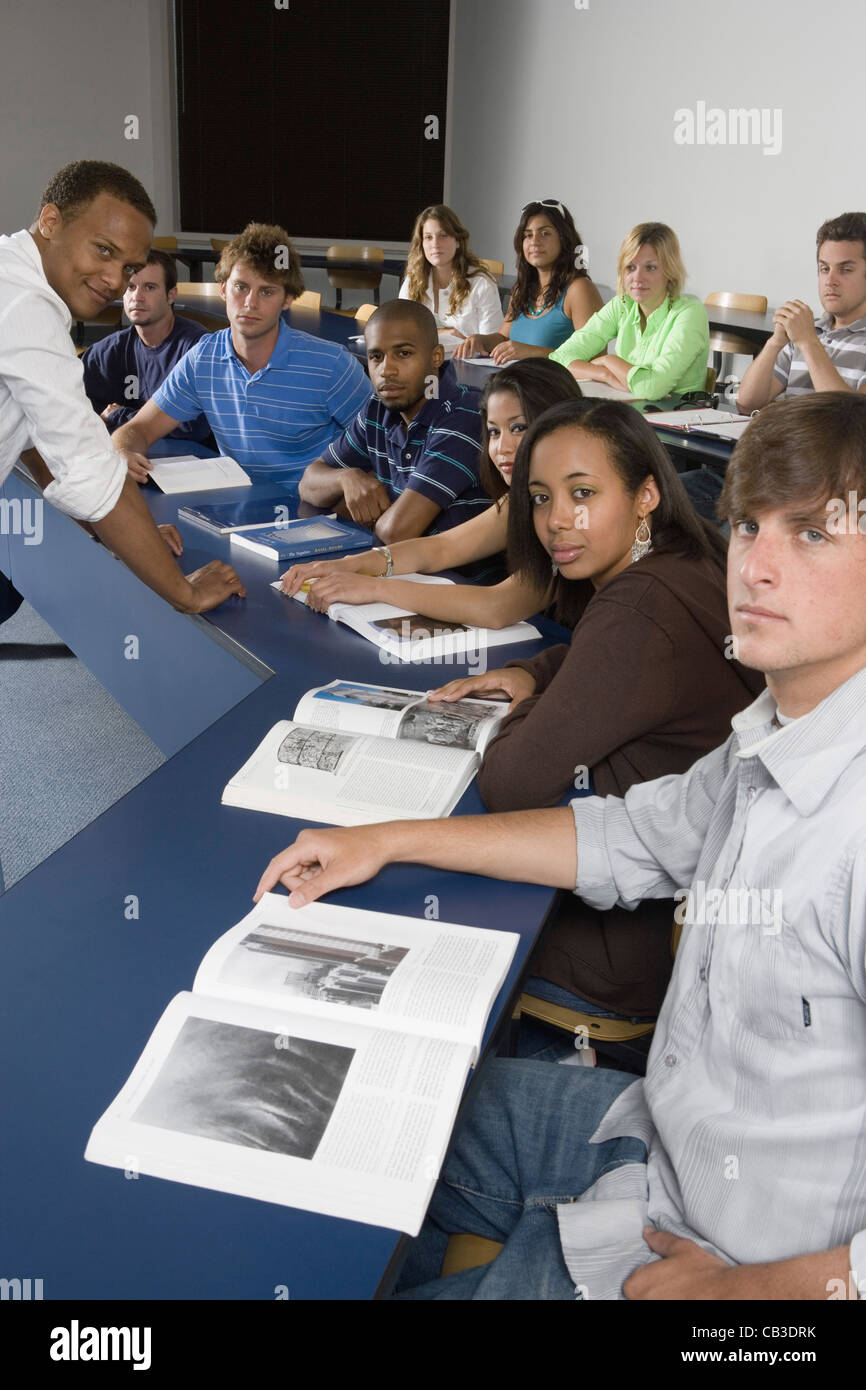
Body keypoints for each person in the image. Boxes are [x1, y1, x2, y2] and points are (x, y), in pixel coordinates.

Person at [256, 392, 866, 1301]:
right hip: (656, 1141)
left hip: (731, 1261)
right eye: (746, 526)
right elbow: (626, 835)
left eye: (814, 534)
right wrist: (386, 840)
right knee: (355, 1101)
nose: (757, 568)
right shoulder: (769, 730)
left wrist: (753, 1296)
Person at [429, 399, 763, 1042]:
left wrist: (532, 707)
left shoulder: (638, 603)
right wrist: (541, 671)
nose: (557, 520)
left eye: (583, 492)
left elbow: (513, 782)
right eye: (539, 497)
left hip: (613, 956)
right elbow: (612, 655)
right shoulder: (684, 558)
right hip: (675, 919)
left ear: (644, 496)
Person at [0, 159, 244, 630]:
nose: (115, 280)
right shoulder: (25, 303)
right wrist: (186, 592)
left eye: (129, 266)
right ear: (50, 222)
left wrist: (127, 536)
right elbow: (87, 467)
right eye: (103, 250)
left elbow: (38, 443)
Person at [281, 360, 583, 628]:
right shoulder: (525, 498)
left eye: (519, 428)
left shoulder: (577, 511)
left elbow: (498, 607)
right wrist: (349, 564)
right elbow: (440, 548)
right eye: (493, 431)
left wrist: (373, 588)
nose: (502, 447)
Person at [112, 224, 371, 484]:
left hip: (315, 511)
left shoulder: (332, 366)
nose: (250, 303)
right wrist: (123, 450)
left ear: (287, 299)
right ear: (223, 290)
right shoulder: (202, 359)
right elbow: (139, 429)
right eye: (241, 287)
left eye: (266, 291)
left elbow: (386, 443)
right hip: (239, 506)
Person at [683, 212, 866, 523]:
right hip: (772, 471)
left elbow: (854, 423)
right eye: (824, 269)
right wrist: (776, 342)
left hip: (826, 490)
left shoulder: (809, 335)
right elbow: (748, 401)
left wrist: (808, 343)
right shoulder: (811, 329)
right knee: (669, 495)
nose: (830, 280)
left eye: (845, 269)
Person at [297, 301, 491, 572]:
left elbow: (397, 532)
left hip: (460, 586)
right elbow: (308, 484)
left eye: (403, 353)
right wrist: (346, 477)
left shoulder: (463, 414)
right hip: (401, 573)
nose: (386, 370)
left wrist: (355, 505)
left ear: (436, 357)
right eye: (376, 357)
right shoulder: (378, 408)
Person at [549, 222, 709, 399]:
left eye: (650, 267)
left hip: (678, 419)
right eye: (630, 267)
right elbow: (559, 358)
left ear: (670, 271)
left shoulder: (690, 312)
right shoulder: (622, 304)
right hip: (631, 410)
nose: (637, 278)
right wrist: (605, 374)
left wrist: (609, 360)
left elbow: (652, 388)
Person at [81, 249, 213, 449]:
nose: (137, 297)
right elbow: (71, 398)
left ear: (171, 295)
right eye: (131, 287)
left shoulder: (199, 349)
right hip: (136, 456)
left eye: (149, 287)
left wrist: (120, 415)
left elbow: (193, 427)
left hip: (194, 463)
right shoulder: (110, 350)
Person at [453, 200, 602, 363]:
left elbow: (595, 359)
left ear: (564, 238)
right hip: (516, 382)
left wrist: (534, 352)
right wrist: (481, 340)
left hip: (555, 386)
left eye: (545, 233)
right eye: (528, 235)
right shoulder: (521, 289)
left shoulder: (579, 289)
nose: (534, 241)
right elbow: (503, 337)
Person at [398, 204, 503, 341]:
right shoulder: (414, 280)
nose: (435, 244)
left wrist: (463, 340)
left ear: (458, 241)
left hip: (469, 360)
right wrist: (444, 333)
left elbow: (492, 344)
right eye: (428, 237)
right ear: (422, 244)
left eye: (443, 235)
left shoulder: (482, 284)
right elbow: (401, 330)